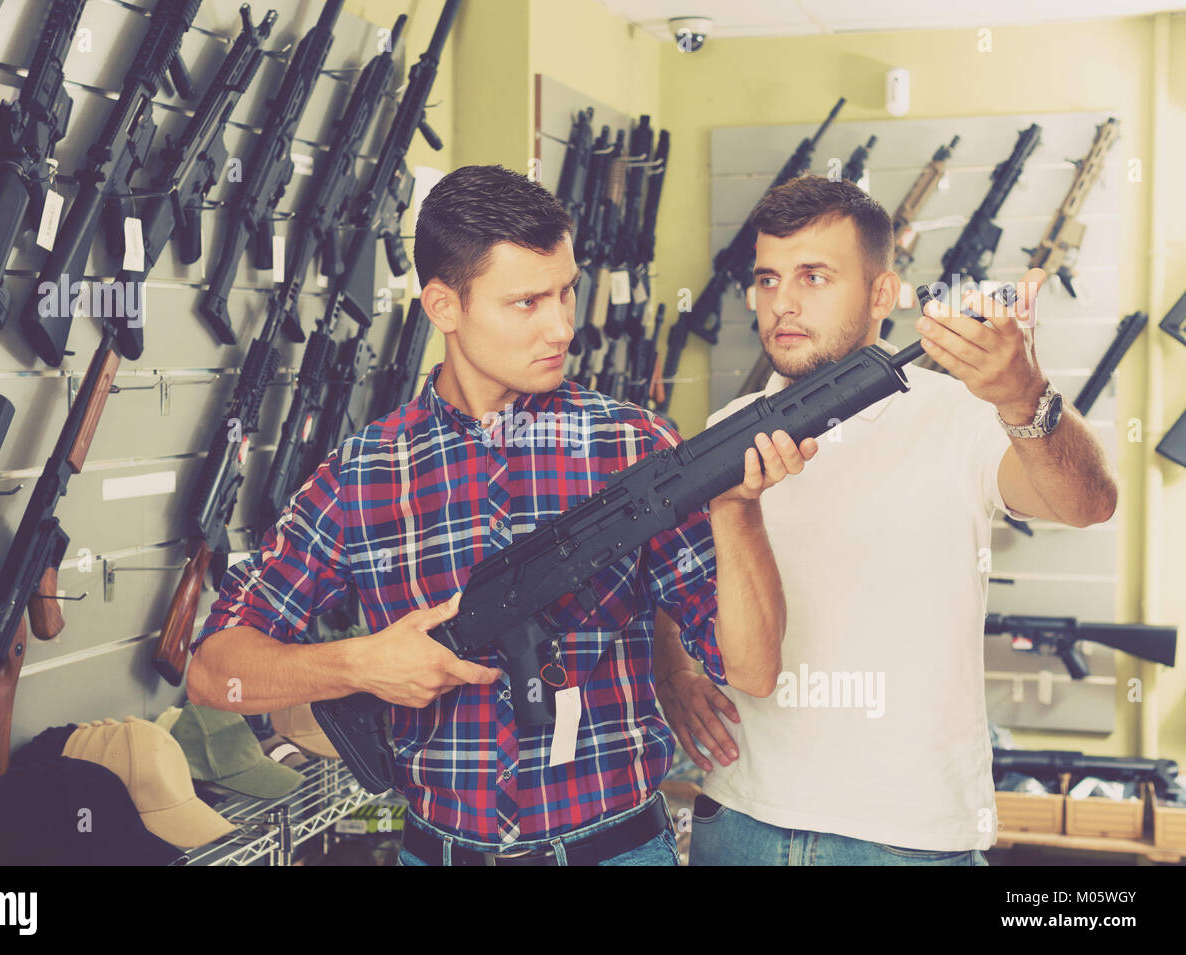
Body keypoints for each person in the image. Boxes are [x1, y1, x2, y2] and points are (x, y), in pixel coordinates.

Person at [187, 164, 818, 866]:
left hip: (615, 849)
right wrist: (363, 663)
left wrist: (738, 510)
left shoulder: (633, 445)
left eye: (567, 292)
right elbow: (216, 670)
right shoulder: (363, 471)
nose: (562, 327)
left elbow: (753, 669)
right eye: (526, 303)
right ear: (444, 306)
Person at [656, 174, 1118, 866]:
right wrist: (672, 673)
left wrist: (1027, 397)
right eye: (767, 278)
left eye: (813, 276)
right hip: (741, 820)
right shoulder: (723, 432)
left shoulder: (961, 415)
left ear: (880, 293)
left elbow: (1089, 504)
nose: (782, 302)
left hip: (907, 839)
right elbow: (667, 575)